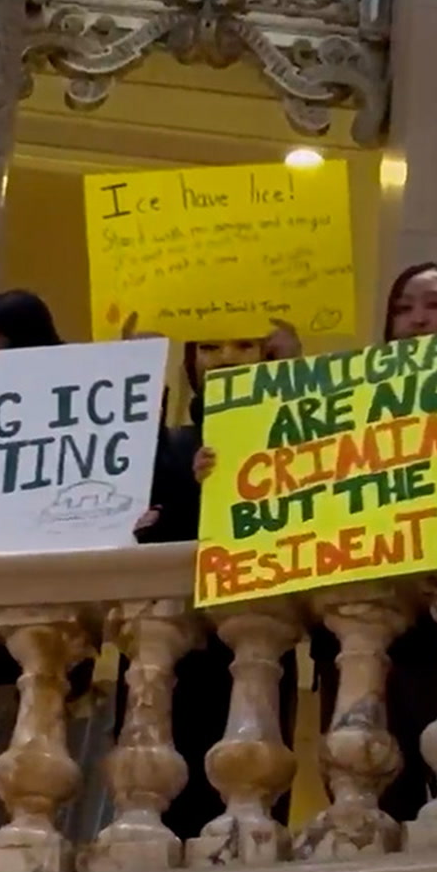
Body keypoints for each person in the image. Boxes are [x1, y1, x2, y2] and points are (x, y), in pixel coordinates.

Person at [129, 319, 304, 840]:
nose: (226, 355)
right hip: (175, 651)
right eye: (208, 346)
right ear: (190, 364)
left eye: (244, 343)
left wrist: (293, 376)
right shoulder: (172, 446)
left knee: (252, 795)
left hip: (257, 639)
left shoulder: (296, 437)